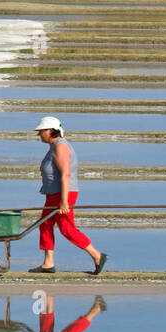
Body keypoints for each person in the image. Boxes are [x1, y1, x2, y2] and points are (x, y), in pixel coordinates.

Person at [29, 116, 108, 275]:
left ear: (50, 131)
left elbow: (65, 174)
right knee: (45, 224)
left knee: (67, 228)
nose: (39, 135)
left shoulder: (60, 147)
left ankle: (97, 255)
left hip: (63, 194)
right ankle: (48, 263)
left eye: (41, 131)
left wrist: (64, 201)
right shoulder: (53, 146)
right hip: (53, 194)